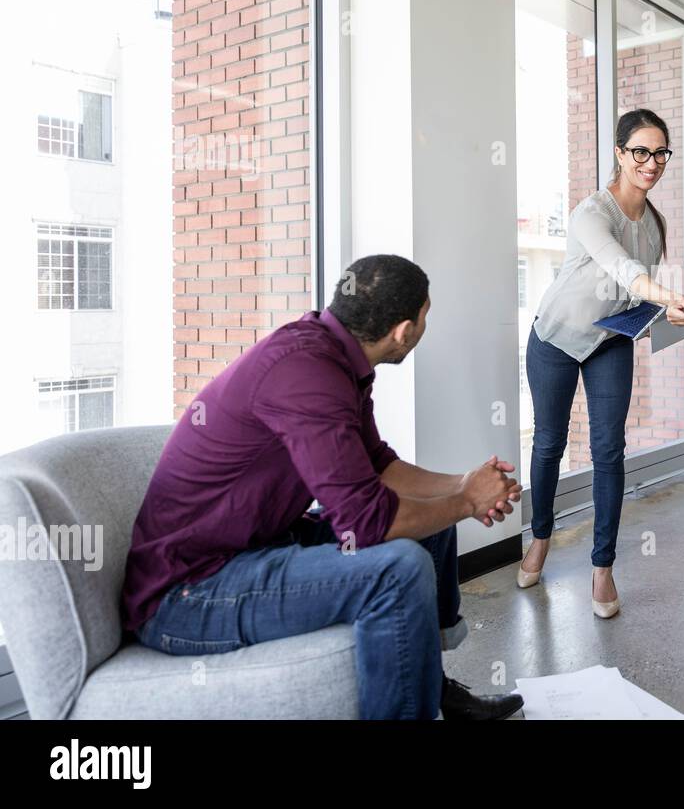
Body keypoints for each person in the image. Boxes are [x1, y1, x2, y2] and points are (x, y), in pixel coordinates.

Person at [121, 255, 524, 720]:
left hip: (259, 547)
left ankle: (432, 690)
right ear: (404, 331)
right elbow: (367, 524)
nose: (424, 328)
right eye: (426, 318)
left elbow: (378, 466)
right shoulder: (307, 373)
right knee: (400, 565)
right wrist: (466, 501)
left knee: (432, 524)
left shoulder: (336, 358)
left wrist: (465, 485)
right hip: (188, 592)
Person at [517, 108, 684, 618]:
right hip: (554, 337)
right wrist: (666, 297)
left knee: (608, 451)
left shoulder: (655, 222)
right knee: (549, 442)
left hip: (609, 342)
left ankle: (602, 568)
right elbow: (622, 269)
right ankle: (541, 539)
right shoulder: (591, 213)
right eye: (640, 151)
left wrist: (669, 317)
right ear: (619, 153)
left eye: (660, 152)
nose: (652, 162)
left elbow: (636, 300)